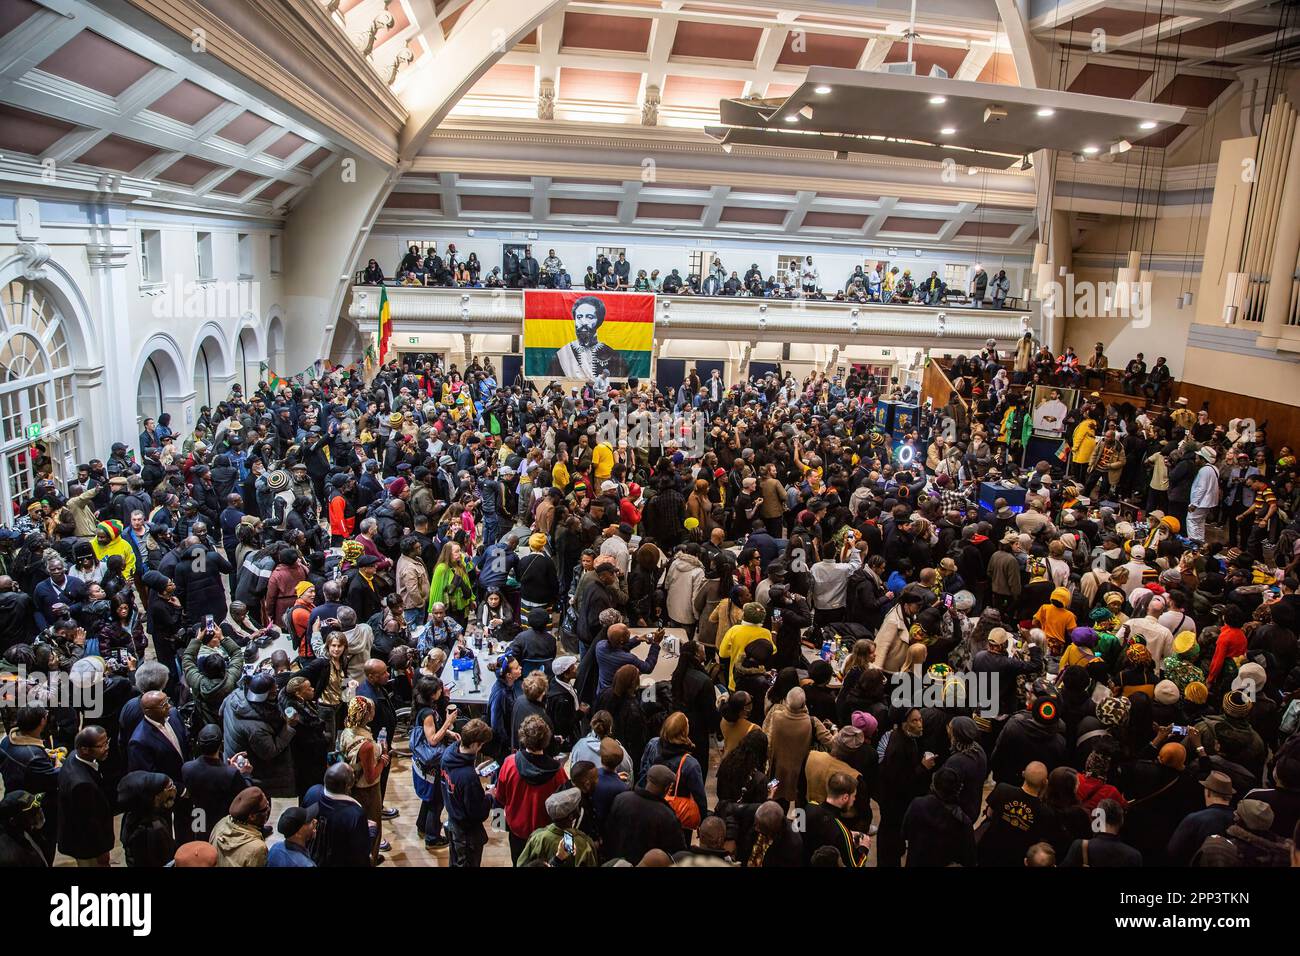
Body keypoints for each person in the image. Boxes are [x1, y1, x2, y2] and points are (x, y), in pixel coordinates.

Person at [56, 726, 115, 867]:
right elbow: (90, 825)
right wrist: (101, 851)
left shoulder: (73, 756)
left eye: (107, 742)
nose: (107, 748)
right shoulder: (81, 785)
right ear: (84, 749)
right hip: (87, 846)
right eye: (102, 745)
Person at [545, 296, 630, 379]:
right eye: (579, 317)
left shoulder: (613, 356)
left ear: (599, 321)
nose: (583, 322)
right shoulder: (562, 355)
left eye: (589, 317)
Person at [209, 786, 271, 867]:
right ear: (252, 817)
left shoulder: (220, 824)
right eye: (265, 807)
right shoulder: (257, 848)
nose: (269, 809)